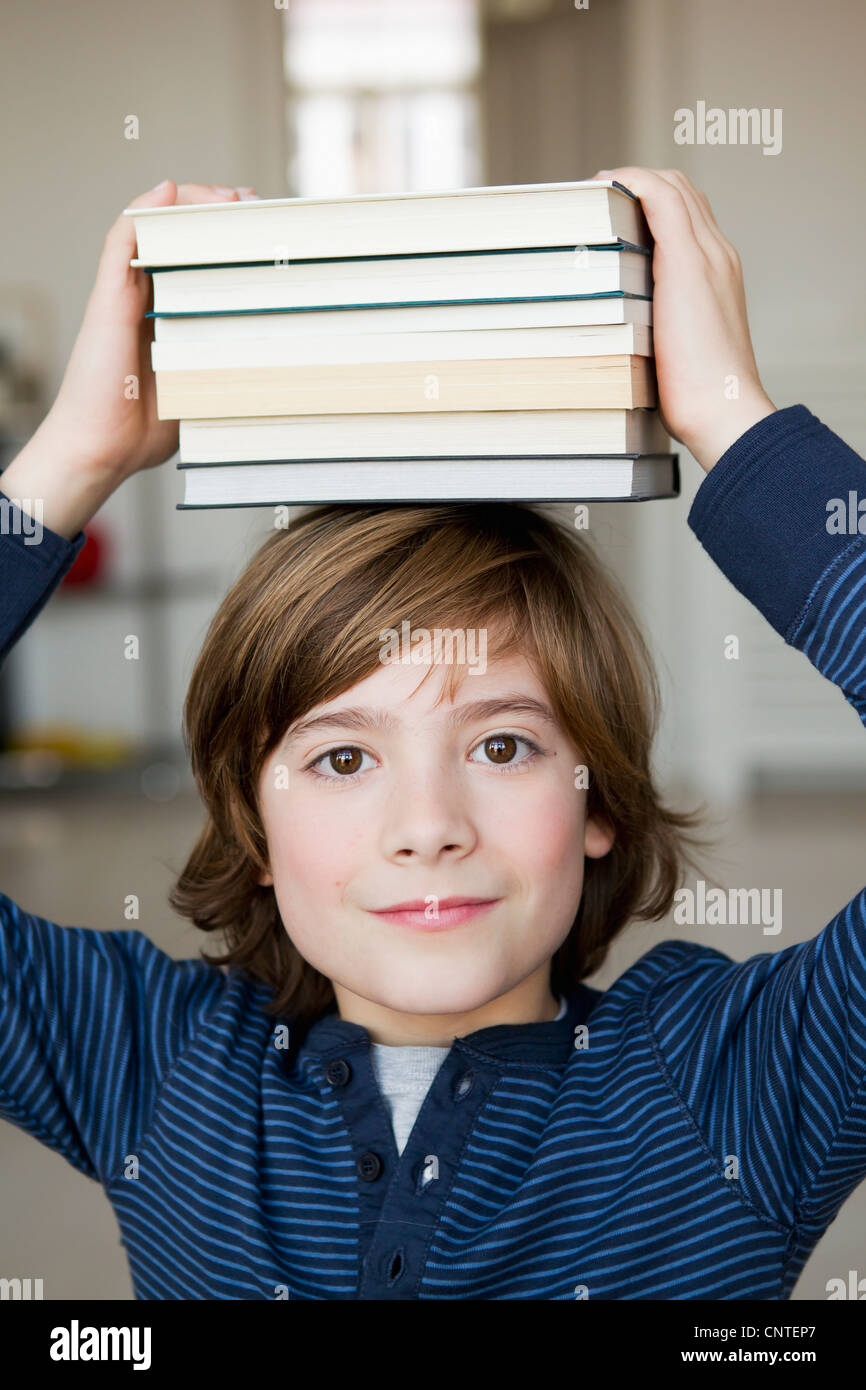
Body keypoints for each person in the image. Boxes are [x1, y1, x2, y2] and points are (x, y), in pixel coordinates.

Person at [1, 170, 864, 1300]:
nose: (426, 828)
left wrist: (731, 419)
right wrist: (73, 454)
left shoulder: (743, 1088)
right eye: (342, 758)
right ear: (252, 824)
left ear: (598, 797)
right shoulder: (150, 1064)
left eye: (501, 746)